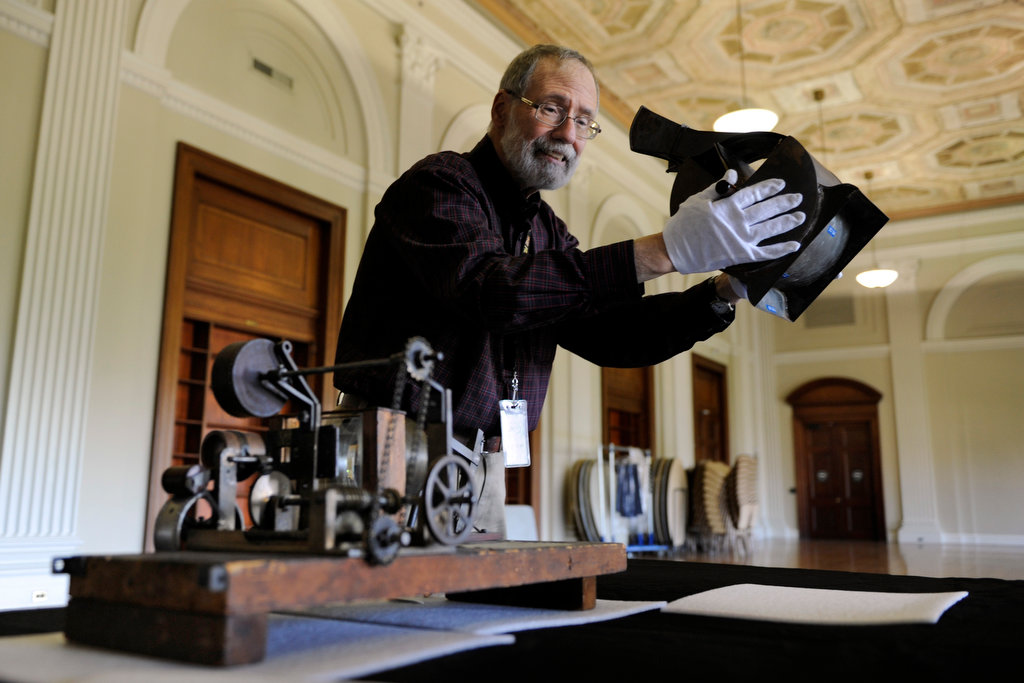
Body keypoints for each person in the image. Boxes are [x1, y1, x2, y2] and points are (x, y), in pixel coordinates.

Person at [333, 44, 803, 531]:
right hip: (396, 444)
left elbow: (611, 333)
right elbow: (494, 293)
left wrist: (723, 293)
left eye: (584, 121)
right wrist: (664, 251)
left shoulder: (548, 231)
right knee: (376, 603)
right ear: (502, 109)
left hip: (486, 462)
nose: (567, 135)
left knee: (471, 606)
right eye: (552, 109)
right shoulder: (439, 184)